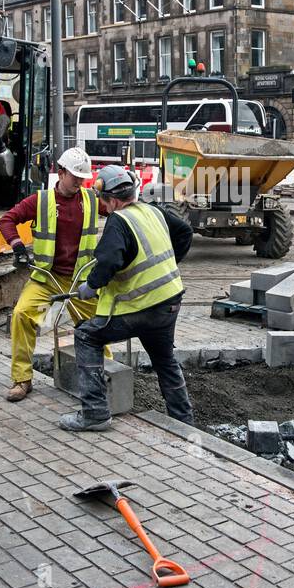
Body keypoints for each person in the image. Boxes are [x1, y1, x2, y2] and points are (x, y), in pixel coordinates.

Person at [60, 165, 194, 432]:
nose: (104, 207)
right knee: (164, 358)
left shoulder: (119, 221)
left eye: (104, 201)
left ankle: (95, 414)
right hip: (169, 302)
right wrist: (169, 263)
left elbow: (109, 260)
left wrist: (91, 286)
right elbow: (184, 232)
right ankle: (184, 422)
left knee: (87, 335)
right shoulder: (153, 211)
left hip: (139, 306)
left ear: (112, 199)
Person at [0, 147, 101, 403]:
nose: (79, 181)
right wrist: (18, 246)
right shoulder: (41, 201)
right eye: (74, 176)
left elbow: (121, 210)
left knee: (98, 327)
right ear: (61, 172)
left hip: (80, 281)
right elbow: (6, 221)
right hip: (46, 278)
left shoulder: (91, 199)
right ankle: (22, 379)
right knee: (22, 315)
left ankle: (102, 377)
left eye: (82, 177)